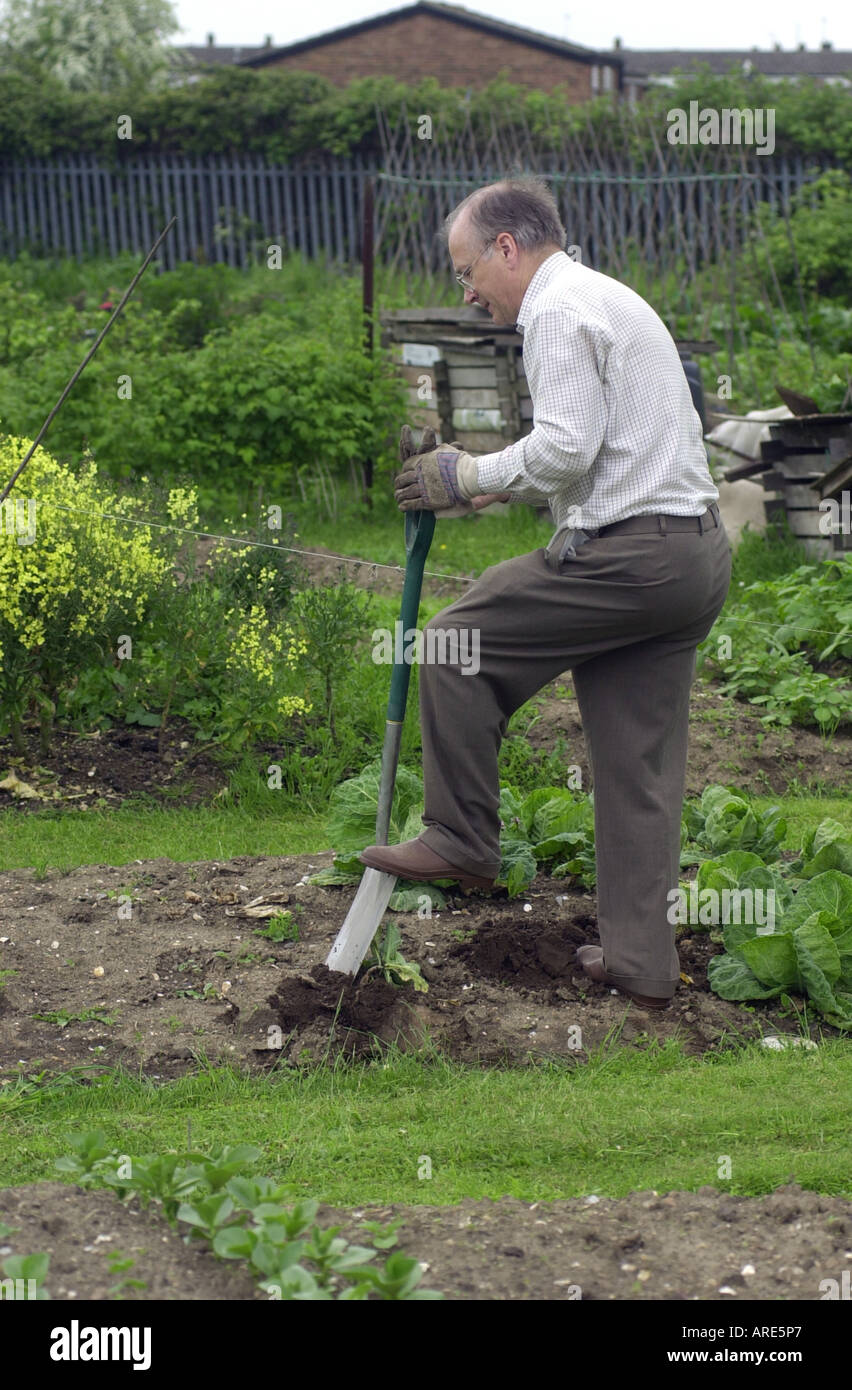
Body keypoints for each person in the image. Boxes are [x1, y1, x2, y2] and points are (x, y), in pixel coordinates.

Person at [360, 176, 731, 1010]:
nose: (466, 292)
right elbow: (602, 446)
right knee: (636, 770)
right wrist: (498, 488)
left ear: (507, 248)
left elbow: (564, 447)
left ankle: (460, 838)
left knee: (455, 644)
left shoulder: (555, 311)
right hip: (691, 558)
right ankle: (642, 962)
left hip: (630, 559)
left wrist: (465, 475)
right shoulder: (604, 295)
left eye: (467, 270)